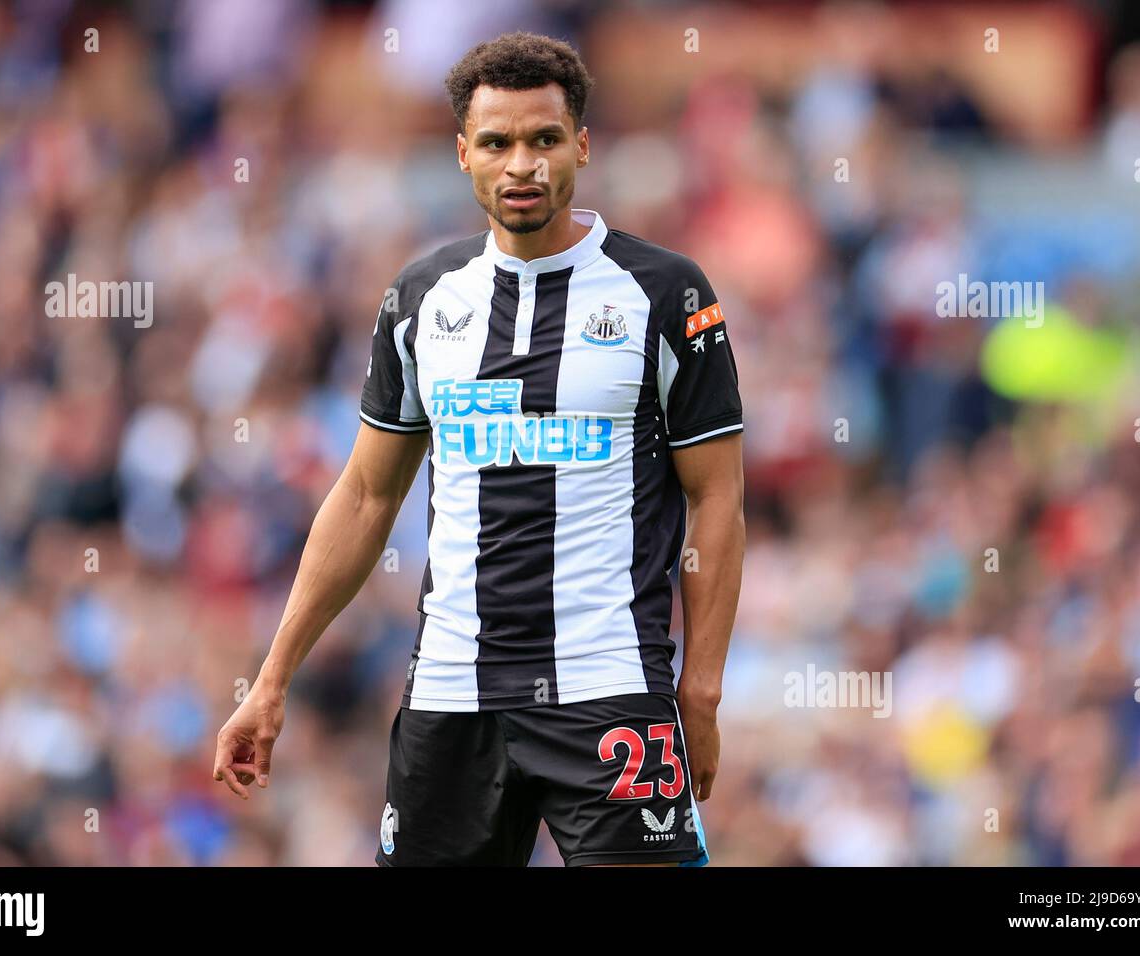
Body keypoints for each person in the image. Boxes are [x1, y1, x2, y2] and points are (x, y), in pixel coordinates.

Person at [213, 31, 745, 867]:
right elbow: (365, 496)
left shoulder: (666, 293)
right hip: (452, 695)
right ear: (463, 153)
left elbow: (717, 498)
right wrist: (272, 677)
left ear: (582, 144)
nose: (522, 165)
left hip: (609, 690)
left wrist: (702, 688)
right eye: (497, 143)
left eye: (543, 139)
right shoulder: (423, 298)